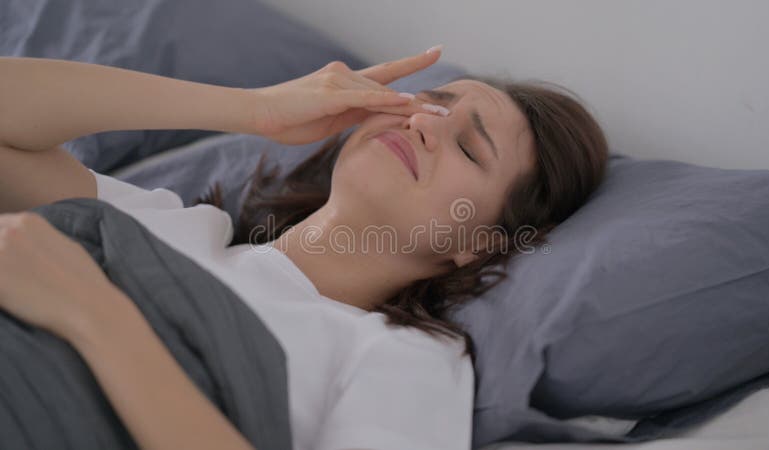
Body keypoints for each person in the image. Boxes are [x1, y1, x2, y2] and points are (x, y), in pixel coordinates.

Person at [0, 44, 608, 450]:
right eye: (428, 103)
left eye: (470, 149)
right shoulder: (177, 229)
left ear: (478, 245)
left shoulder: (406, 358)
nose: (422, 123)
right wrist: (255, 109)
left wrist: (95, 317)